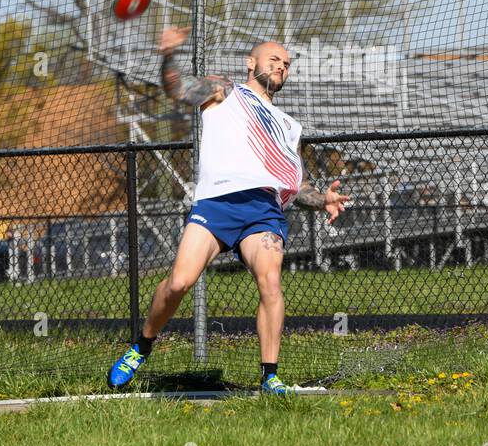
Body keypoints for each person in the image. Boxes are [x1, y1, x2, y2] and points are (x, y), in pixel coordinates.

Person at [107, 25, 350, 394]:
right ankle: (141, 347)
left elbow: (295, 186)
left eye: (287, 63)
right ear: (251, 63)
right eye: (274, 59)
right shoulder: (225, 92)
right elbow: (177, 88)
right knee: (178, 283)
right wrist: (168, 54)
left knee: (270, 282)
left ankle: (270, 377)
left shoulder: (289, 126)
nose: (282, 66)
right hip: (217, 203)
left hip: (263, 211)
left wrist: (323, 200)